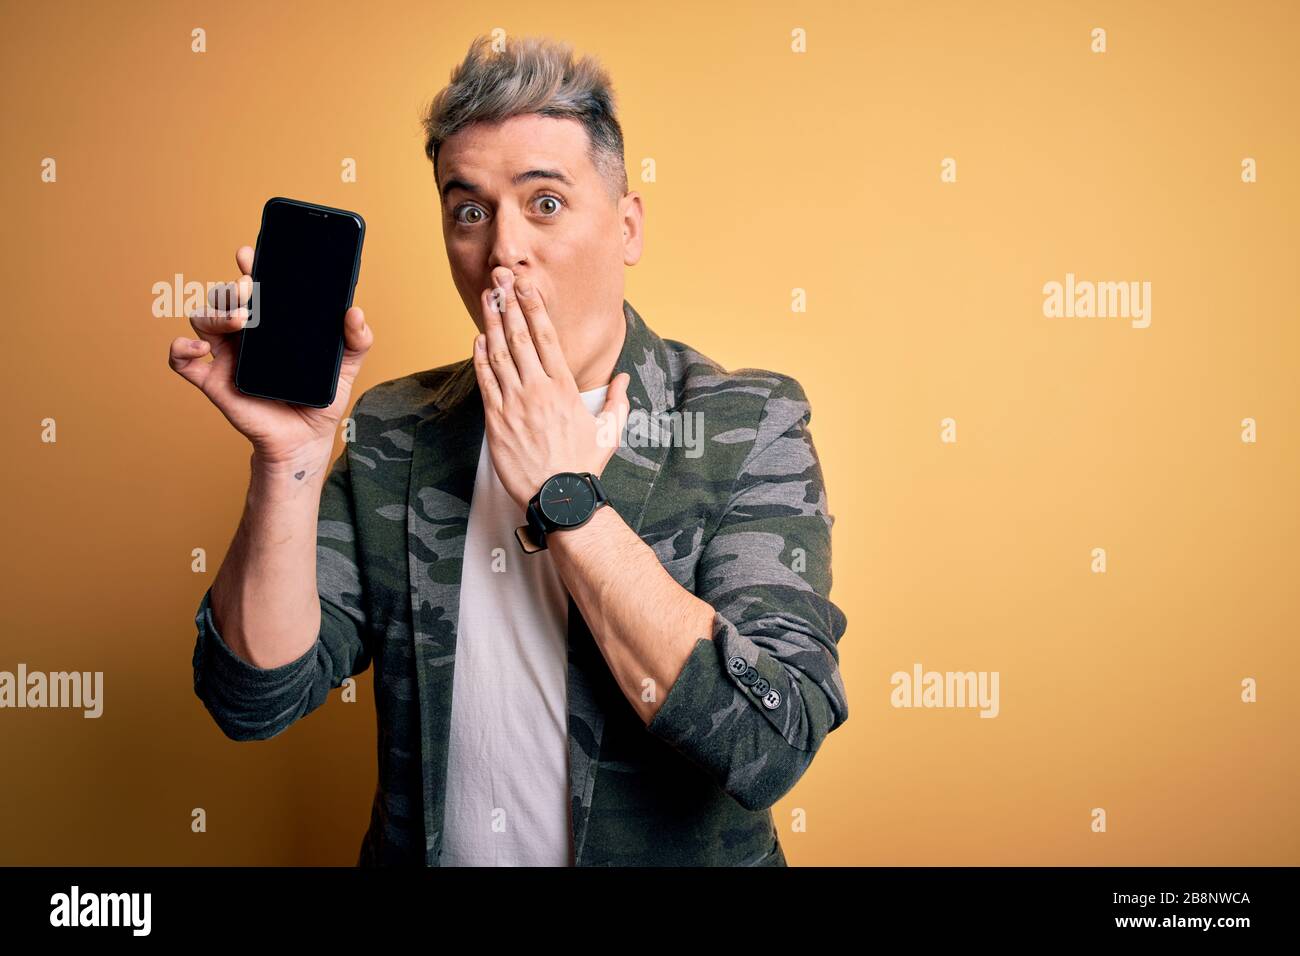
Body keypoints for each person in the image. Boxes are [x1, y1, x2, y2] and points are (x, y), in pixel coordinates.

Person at [170, 33, 849, 867]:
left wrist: (568, 499)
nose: (503, 251)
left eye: (546, 203)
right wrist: (287, 463)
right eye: (469, 211)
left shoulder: (750, 423)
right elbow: (253, 699)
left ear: (628, 225)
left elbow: (769, 742)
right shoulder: (396, 429)